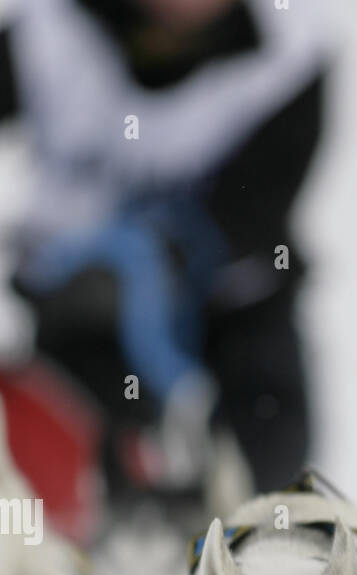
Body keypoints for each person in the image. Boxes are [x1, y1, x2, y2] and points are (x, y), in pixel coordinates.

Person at [0, 0, 331, 502]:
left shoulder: (288, 57)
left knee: (261, 480)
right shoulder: (48, 32)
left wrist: (172, 251)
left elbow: (259, 207)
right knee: (60, 471)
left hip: (228, 312)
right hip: (75, 306)